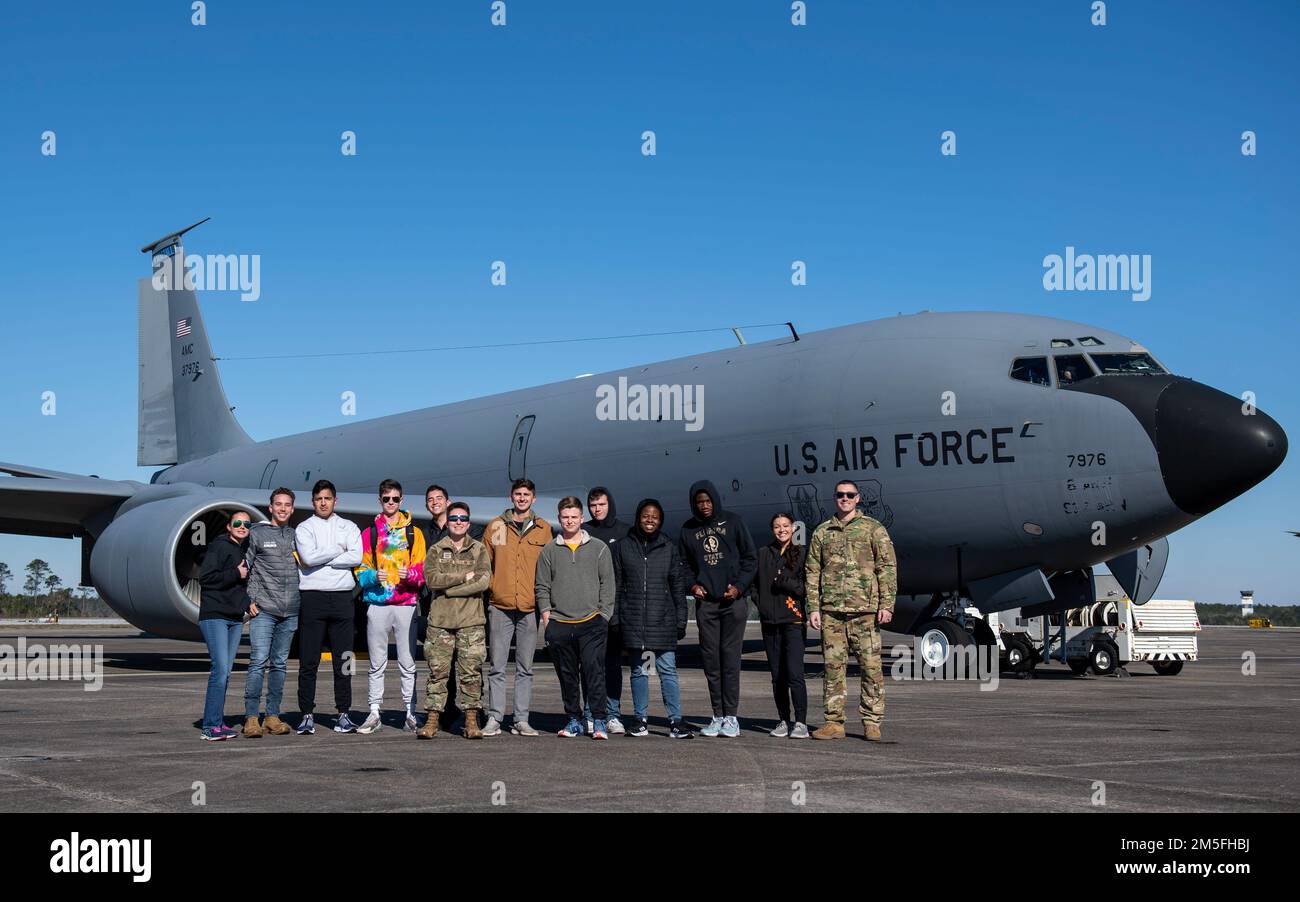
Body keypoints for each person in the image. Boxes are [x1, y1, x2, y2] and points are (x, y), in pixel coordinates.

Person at [806, 479, 898, 741]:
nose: (844, 499)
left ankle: (871, 722)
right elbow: (812, 571)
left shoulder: (873, 529)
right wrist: (813, 607)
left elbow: (887, 567)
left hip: (865, 612)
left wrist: (887, 604)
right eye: (840, 495)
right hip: (832, 612)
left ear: (858, 498)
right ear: (835, 498)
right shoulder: (822, 532)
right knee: (833, 669)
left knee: (871, 668)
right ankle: (833, 722)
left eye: (850, 495)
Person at [677, 479, 757, 738]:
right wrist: (692, 587)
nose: (704, 506)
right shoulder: (688, 530)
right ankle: (717, 715)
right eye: (699, 502)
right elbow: (684, 565)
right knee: (711, 661)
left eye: (708, 501)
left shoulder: (733, 522)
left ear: (715, 500)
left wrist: (740, 587)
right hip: (707, 605)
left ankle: (731, 717)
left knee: (730, 659)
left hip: (732, 603)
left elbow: (750, 559)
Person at [612, 498, 694, 738]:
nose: (650, 520)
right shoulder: (624, 547)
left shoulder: (668, 547)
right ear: (638, 517)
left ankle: (675, 720)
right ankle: (640, 719)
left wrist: (681, 620)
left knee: (668, 670)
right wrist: (616, 619)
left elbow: (677, 587)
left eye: (655, 517)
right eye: (646, 515)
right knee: (641, 672)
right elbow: (617, 586)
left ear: (661, 520)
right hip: (637, 625)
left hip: (663, 623)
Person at [536, 497, 617, 739]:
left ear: (582, 519)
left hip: (592, 622)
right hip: (560, 624)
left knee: (594, 673)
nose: (569, 521)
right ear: (559, 519)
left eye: (574, 517)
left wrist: (603, 615)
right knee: (568, 677)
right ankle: (574, 719)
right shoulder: (549, 550)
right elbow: (542, 586)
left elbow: (608, 584)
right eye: (565, 517)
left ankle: (599, 721)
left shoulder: (599, 548)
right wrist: (547, 618)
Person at [481, 478, 553, 737]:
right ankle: (494, 718)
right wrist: (494, 587)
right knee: (497, 666)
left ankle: (521, 719)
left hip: (529, 608)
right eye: (517, 494)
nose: (522, 498)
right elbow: (484, 563)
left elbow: (549, 568)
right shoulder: (497, 526)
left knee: (525, 667)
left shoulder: (543, 529)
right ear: (511, 497)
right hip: (500, 607)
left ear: (534, 499)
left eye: (526, 494)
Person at [355, 479, 427, 734]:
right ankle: (374, 711)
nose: (391, 503)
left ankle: (411, 710)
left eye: (395, 499)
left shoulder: (414, 533)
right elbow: (360, 572)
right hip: (377, 604)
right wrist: (374, 576)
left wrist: (411, 576)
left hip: (406, 604)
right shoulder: (370, 533)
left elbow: (422, 571)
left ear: (401, 500)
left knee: (408, 661)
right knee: (377, 662)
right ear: (380, 500)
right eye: (386, 499)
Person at [295, 479, 364, 735]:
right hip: (313, 598)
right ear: (313, 502)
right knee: (309, 660)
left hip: (343, 598)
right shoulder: (304, 528)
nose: (323, 502)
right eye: (318, 499)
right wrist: (337, 551)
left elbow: (356, 557)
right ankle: (306, 714)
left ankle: (344, 713)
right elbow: (308, 558)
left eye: (327, 498)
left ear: (336, 500)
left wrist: (325, 557)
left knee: (344, 660)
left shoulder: (349, 526)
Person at [418, 501, 491, 740]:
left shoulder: (479, 550)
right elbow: (432, 580)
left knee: (471, 673)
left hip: (471, 621)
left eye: (462, 518)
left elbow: (483, 582)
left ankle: (471, 721)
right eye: (453, 518)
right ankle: (432, 720)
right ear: (447, 522)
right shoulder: (436, 550)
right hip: (441, 622)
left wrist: (450, 590)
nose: (458, 522)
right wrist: (462, 577)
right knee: (437, 673)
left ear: (469, 523)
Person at [241, 488, 300, 738]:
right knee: (257, 663)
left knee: (279, 665)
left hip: (291, 610)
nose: (283, 509)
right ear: (270, 508)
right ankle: (251, 718)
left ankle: (272, 716)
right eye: (278, 504)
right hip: (264, 609)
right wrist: (248, 600)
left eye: (287, 505)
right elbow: (244, 567)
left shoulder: (298, 536)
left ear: (292, 509)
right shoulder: (257, 534)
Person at [198, 510, 257, 741]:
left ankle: (218, 723)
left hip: (234, 618)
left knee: (226, 672)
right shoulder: (218, 547)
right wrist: (236, 572)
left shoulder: (240, 550)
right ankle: (210, 726)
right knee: (220, 671)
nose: (242, 526)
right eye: (238, 523)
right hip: (215, 617)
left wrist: (247, 604)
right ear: (229, 527)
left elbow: (236, 589)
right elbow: (206, 579)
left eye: (246, 524)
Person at [754, 512, 809, 738]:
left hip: (793, 621)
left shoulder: (802, 553)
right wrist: (761, 604)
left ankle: (801, 722)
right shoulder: (763, 554)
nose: (782, 530)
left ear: (793, 528)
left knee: (795, 673)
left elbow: (807, 587)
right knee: (777, 676)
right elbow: (754, 585)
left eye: (786, 525)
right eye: (777, 526)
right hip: (770, 622)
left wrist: (785, 582)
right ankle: (783, 720)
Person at [581, 486, 630, 734]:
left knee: (611, 665)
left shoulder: (623, 532)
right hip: (588, 611)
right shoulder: (584, 532)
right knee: (590, 665)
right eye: (593, 506)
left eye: (601, 504)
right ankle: (590, 713)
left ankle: (612, 714)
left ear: (609, 504)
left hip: (613, 611)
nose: (597, 509)